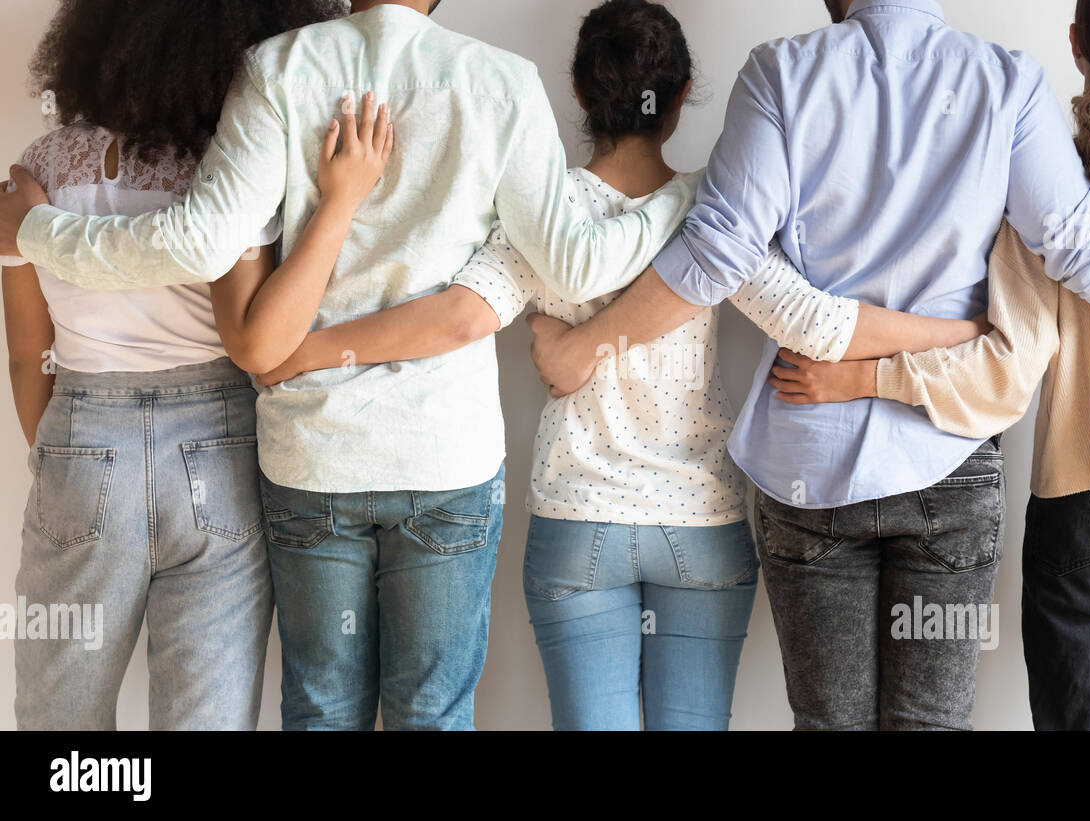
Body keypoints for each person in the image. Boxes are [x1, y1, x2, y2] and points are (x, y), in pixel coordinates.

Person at [259, 0, 987, 731]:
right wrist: (962, 329)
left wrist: (318, 348)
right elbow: (816, 322)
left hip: (578, 522)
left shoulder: (543, 214)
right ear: (677, 102)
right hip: (700, 520)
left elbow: (460, 315)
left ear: (578, 95)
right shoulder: (715, 213)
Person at [524, 0, 1090, 731]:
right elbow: (1086, 251)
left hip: (808, 459)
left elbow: (721, 250)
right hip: (950, 464)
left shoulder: (781, 72)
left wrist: (587, 343)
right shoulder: (1005, 84)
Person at [0, 0, 701, 731]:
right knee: (427, 713)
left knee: (321, 709)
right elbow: (575, 261)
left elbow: (199, 249)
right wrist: (683, 193)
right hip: (441, 460)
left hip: (313, 452)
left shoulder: (276, 69)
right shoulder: (501, 81)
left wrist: (37, 232)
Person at [779, 0, 1090, 731]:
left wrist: (871, 377)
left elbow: (1005, 371)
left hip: (1084, 504)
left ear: (1075, 44)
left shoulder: (1041, 188)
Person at [0, 0, 382, 729]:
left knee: (60, 716)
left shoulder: (38, 172)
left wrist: (63, 456)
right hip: (220, 449)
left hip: (83, 440)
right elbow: (254, 325)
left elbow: (25, 355)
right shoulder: (230, 172)